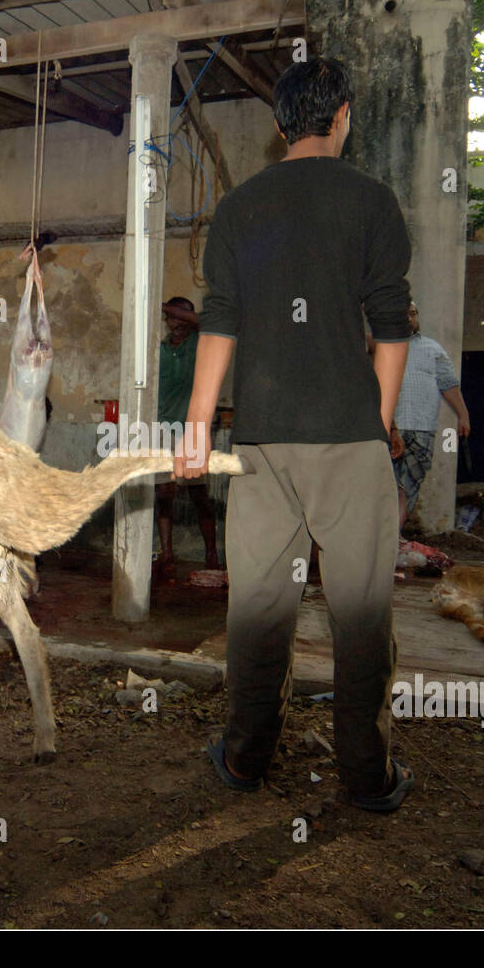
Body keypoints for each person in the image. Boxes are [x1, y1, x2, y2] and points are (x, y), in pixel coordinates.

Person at [175, 56, 414, 811]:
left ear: (279, 127)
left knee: (259, 608)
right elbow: (391, 325)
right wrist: (378, 422)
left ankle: (245, 758)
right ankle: (366, 774)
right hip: (349, 438)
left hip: (263, 447)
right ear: (343, 113)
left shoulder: (243, 208)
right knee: (362, 612)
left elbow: (220, 321)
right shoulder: (375, 202)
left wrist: (197, 425)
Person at [154, 297, 219, 579]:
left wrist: (168, 308)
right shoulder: (161, 350)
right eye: (171, 318)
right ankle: (167, 553)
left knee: (199, 495)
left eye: (183, 317)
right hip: (164, 429)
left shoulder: (201, 344)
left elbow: (206, 323)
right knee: (164, 493)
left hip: (194, 430)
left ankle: (212, 556)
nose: (176, 323)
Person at [392, 302, 470, 528]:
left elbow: (449, 385)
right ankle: (384, 541)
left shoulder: (432, 348)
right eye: (404, 314)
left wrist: (463, 415)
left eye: (413, 314)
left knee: (409, 486)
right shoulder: (382, 347)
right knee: (384, 487)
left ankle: (393, 539)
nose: (409, 319)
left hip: (421, 429)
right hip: (388, 428)